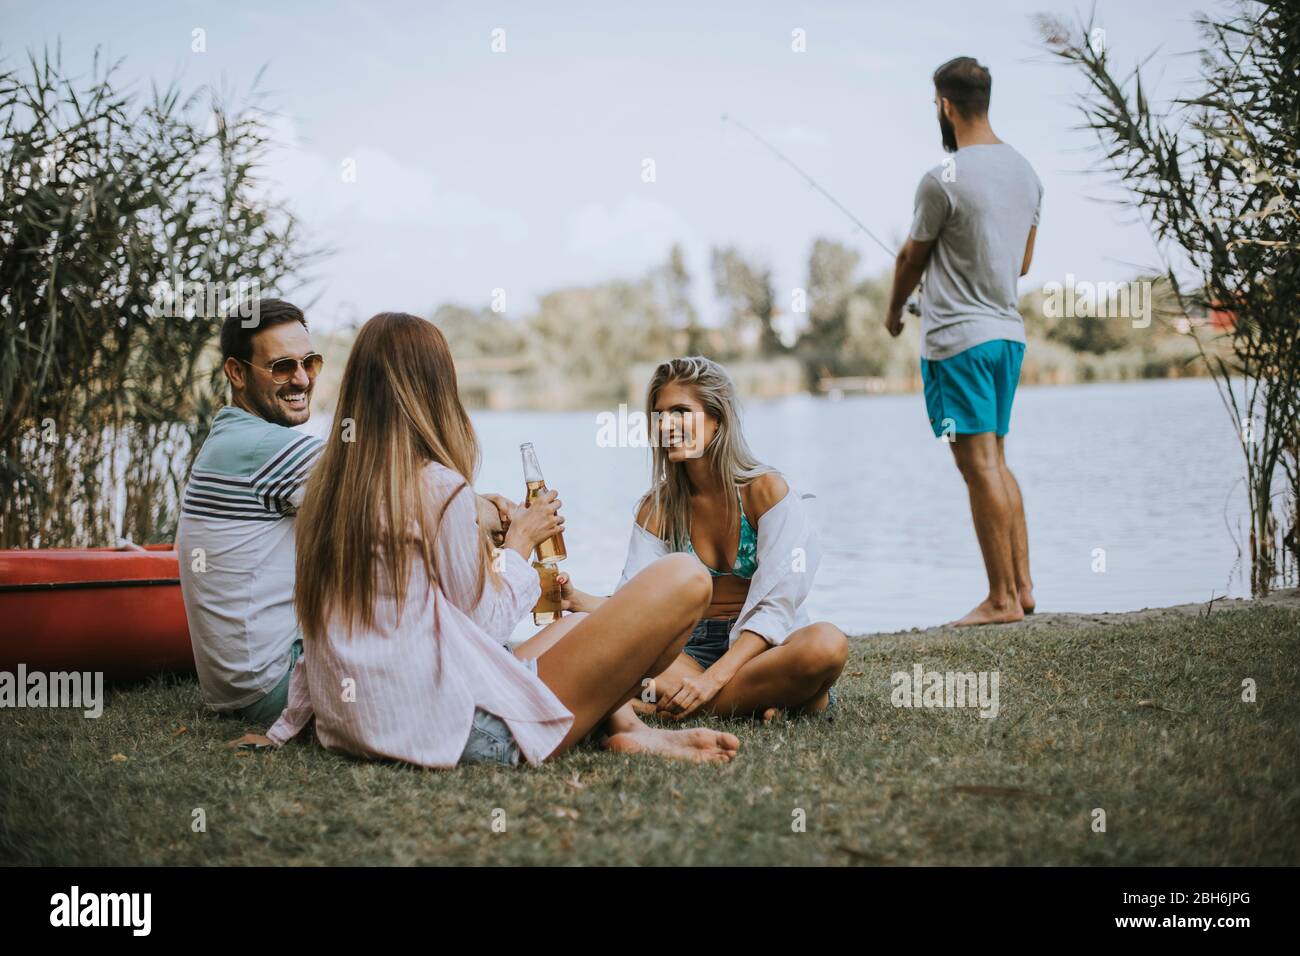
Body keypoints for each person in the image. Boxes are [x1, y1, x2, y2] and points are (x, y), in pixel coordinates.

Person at [255, 313, 740, 767]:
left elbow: (335, 627)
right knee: (685, 579)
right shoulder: (436, 487)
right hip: (460, 728)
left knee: (575, 628)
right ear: (435, 391)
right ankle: (605, 724)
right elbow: (483, 624)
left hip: (360, 721)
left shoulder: (330, 489)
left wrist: (288, 726)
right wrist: (520, 546)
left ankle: (631, 729)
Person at [559, 356, 847, 723]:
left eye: (680, 411)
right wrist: (576, 599)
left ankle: (673, 705)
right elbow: (634, 607)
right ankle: (770, 702)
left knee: (826, 645)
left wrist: (712, 681)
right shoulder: (657, 509)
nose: (666, 425)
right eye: (659, 415)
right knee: (583, 641)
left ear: (717, 419)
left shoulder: (766, 492)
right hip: (683, 655)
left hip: (761, 648)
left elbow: (778, 605)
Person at [883, 56, 1043, 626]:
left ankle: (1000, 600)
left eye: (936, 106)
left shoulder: (941, 178)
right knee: (996, 458)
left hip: (959, 342)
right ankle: (1021, 588)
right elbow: (1021, 263)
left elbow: (910, 257)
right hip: (1007, 338)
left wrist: (894, 313)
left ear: (946, 106)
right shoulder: (1026, 173)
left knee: (979, 467)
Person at [176, 299, 326, 723]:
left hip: (243, 684)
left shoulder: (233, 438)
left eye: (310, 362)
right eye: (282, 367)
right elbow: (396, 492)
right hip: (272, 685)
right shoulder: (260, 447)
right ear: (237, 373)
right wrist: (490, 513)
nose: (301, 379)